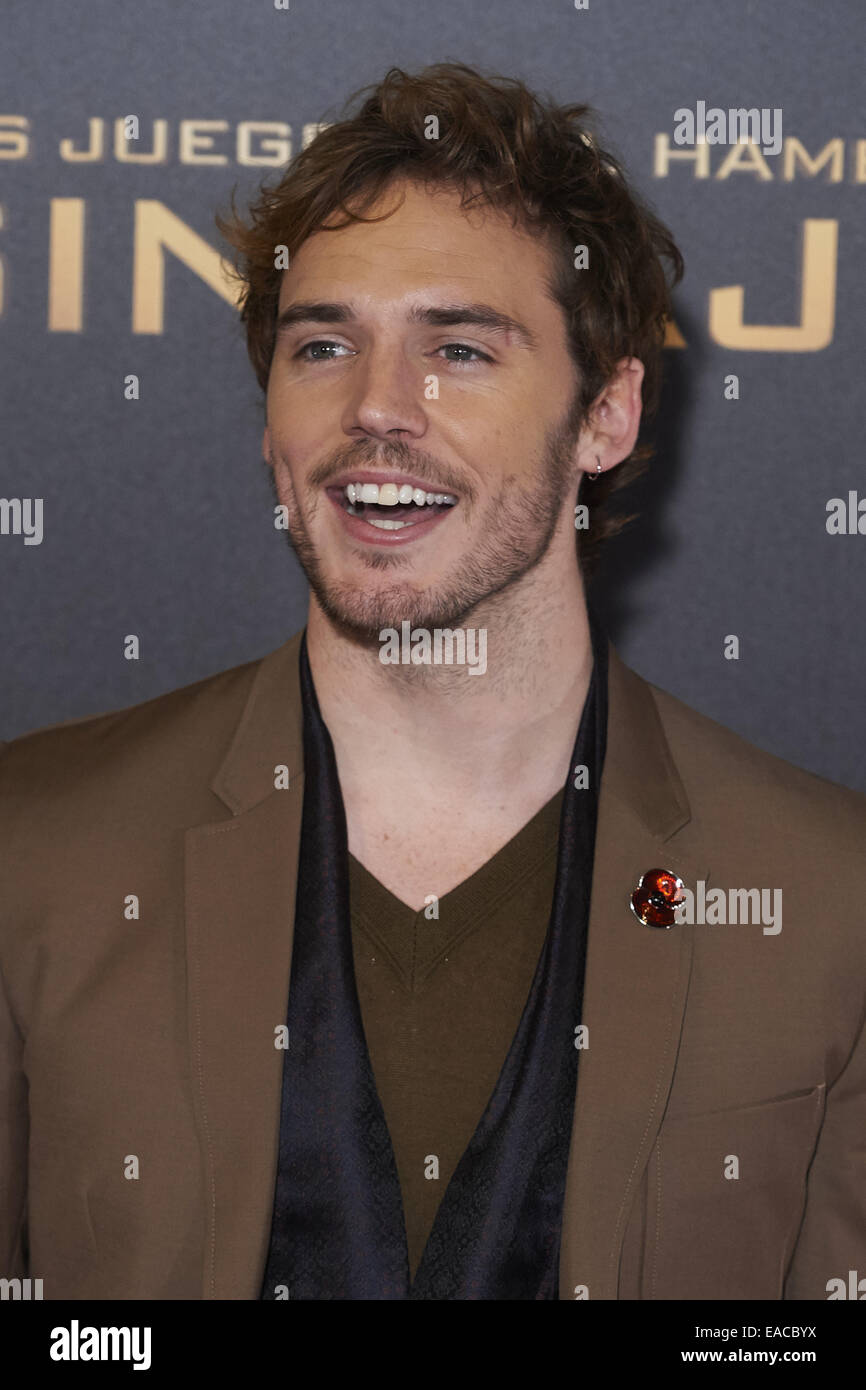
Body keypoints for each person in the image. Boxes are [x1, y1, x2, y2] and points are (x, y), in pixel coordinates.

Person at [1, 62, 864, 1302]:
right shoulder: (36, 848)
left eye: (457, 348)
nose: (375, 409)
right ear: (268, 419)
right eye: (322, 346)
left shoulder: (826, 900)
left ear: (605, 413)